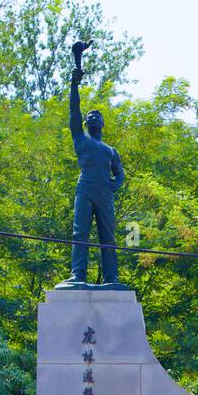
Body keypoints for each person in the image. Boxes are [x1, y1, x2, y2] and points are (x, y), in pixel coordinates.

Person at [67, 42, 125, 285]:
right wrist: (74, 83)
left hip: (104, 190)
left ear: (102, 124)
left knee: (107, 236)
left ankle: (112, 276)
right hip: (85, 187)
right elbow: (74, 110)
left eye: (97, 116)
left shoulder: (111, 150)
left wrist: (115, 184)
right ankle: (77, 274)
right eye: (90, 116)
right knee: (80, 232)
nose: (92, 117)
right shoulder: (80, 139)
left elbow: (120, 174)